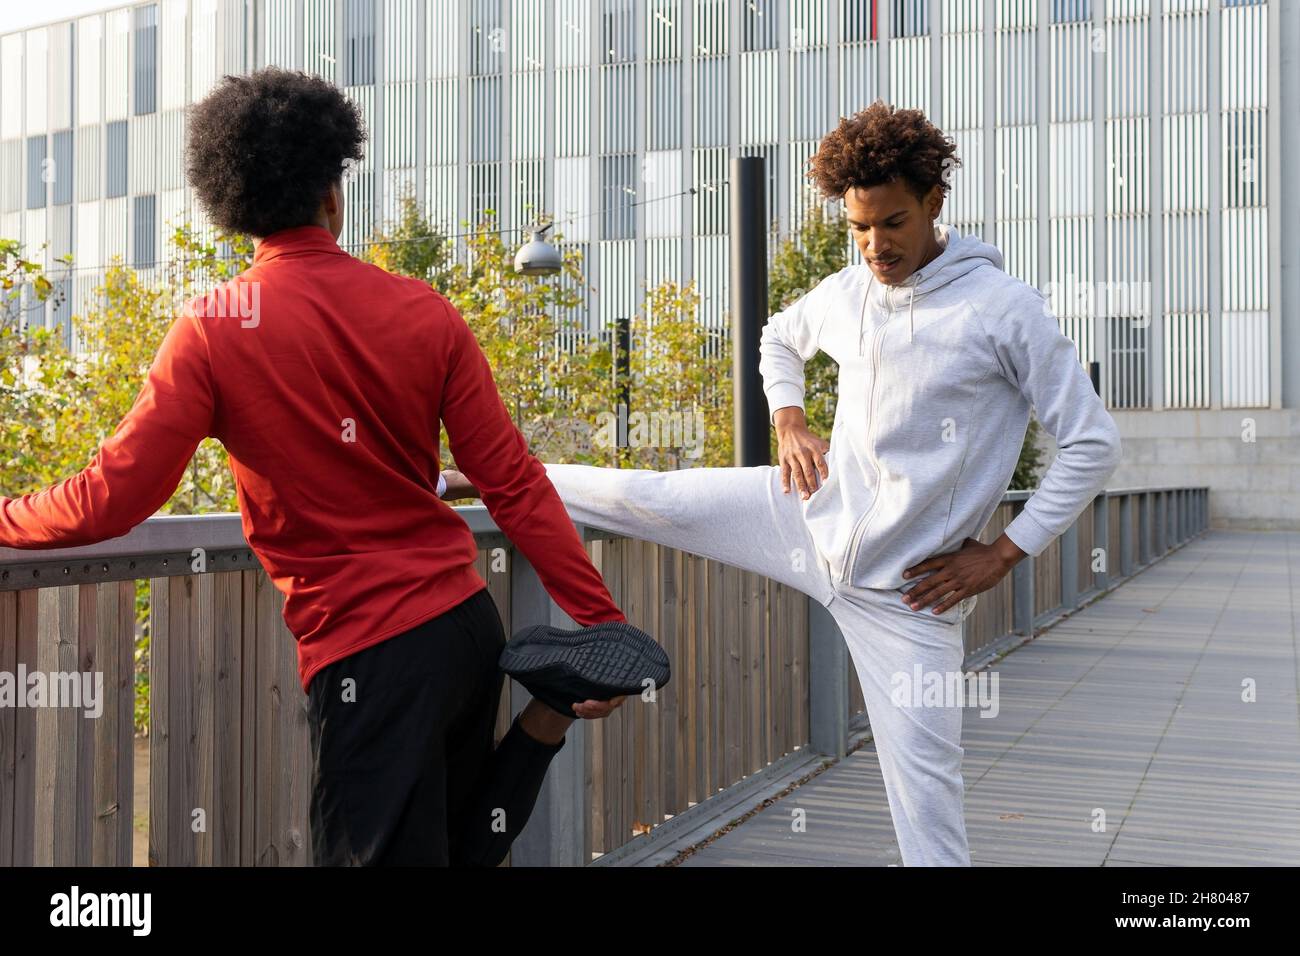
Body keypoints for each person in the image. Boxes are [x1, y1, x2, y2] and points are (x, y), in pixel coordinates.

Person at [442, 100, 1123, 866]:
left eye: (892, 223)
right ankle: (467, 479)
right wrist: (791, 420)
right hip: (806, 515)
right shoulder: (850, 290)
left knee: (929, 816)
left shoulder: (1003, 310)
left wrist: (1003, 553)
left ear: (935, 202)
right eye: (858, 227)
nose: (875, 245)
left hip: (910, 598)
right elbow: (777, 339)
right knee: (649, 496)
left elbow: (1093, 442)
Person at [0, 68, 652, 867]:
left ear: (234, 207)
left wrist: (5, 516)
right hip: (464, 624)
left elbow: (112, 499)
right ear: (332, 195)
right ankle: (544, 720)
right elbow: (513, 482)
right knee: (458, 844)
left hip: (368, 654)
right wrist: (599, 620)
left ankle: (544, 722)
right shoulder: (425, 311)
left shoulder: (213, 328)